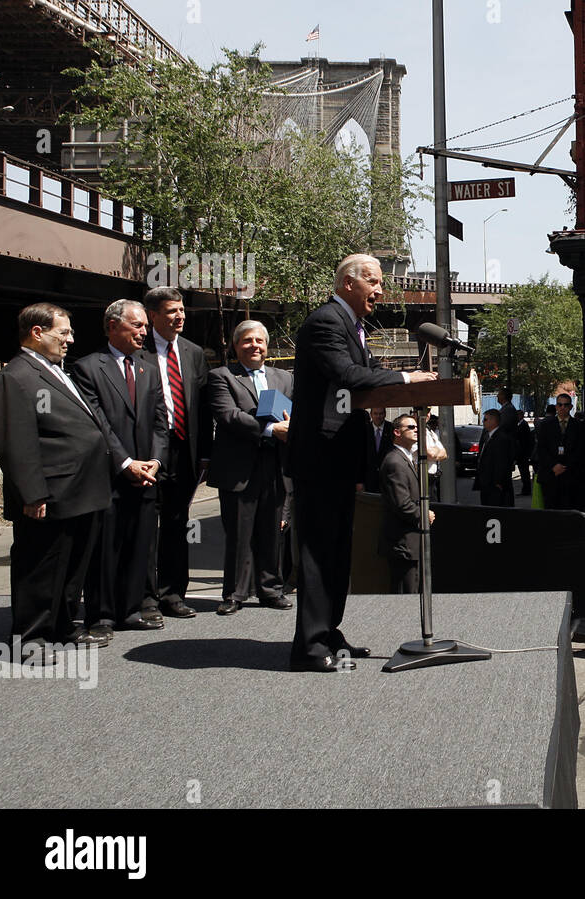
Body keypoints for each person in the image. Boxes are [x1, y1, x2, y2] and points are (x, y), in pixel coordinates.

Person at [287, 254, 437, 674]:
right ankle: (310, 648)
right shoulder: (325, 322)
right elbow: (351, 376)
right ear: (348, 282)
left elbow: (368, 370)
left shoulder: (351, 325)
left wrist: (409, 377)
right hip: (320, 457)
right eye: (373, 281)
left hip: (339, 458)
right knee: (318, 552)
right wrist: (407, 380)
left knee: (337, 552)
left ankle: (328, 632)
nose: (380, 290)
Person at [0, 304, 115, 660]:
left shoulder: (55, 371)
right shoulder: (16, 376)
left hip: (82, 490)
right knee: (41, 567)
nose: (70, 339)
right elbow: (15, 442)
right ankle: (30, 639)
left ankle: (63, 627)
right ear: (36, 333)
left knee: (72, 566)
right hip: (50, 493)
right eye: (63, 333)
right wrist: (32, 492)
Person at [73, 299, 168, 638]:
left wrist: (155, 462)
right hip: (109, 476)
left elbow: (161, 423)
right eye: (136, 325)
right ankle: (100, 616)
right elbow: (98, 424)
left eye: (145, 326)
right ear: (113, 326)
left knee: (139, 545)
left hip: (147, 477)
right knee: (105, 549)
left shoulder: (149, 368)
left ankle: (130, 609)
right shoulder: (88, 368)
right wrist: (126, 463)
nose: (144, 332)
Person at [206, 320, 294, 616]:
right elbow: (228, 416)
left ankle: (270, 589)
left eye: (259, 341)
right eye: (247, 341)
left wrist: (292, 426)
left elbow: (297, 412)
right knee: (239, 533)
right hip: (239, 468)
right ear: (235, 346)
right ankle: (235, 593)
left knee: (273, 530)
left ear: (267, 347)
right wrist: (272, 430)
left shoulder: (285, 377)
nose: (254, 345)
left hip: (275, 465)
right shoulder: (221, 376)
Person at [141, 287, 210, 620]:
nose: (180, 316)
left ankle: (172, 594)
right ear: (152, 315)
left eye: (182, 310)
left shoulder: (193, 352)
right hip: (146, 452)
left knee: (176, 523)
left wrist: (205, 455)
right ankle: (143, 597)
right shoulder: (137, 350)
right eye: (171, 311)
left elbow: (203, 408)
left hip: (184, 450)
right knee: (142, 526)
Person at [378, 414, 443, 593]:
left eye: (417, 427)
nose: (416, 431)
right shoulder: (394, 462)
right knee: (405, 593)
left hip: (410, 540)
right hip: (402, 542)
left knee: (413, 590)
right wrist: (424, 514)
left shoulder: (406, 458)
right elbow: (401, 503)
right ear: (397, 432)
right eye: (411, 428)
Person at [534, 392, 585, 510]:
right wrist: (553, 465)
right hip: (550, 474)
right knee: (551, 510)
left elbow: (580, 450)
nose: (563, 408)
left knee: (569, 510)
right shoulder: (546, 424)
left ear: (571, 407)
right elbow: (541, 448)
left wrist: (565, 466)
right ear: (556, 407)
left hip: (570, 475)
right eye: (560, 405)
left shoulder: (579, 426)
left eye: (566, 405)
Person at [474, 408, 517, 507]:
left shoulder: (501, 438)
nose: (483, 422)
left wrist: (498, 481)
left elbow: (502, 461)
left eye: (485, 419)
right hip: (487, 483)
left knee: (496, 510)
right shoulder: (487, 436)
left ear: (493, 421)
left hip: (496, 485)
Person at [497, 387, 533, 496]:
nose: (497, 396)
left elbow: (504, 428)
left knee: (511, 474)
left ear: (503, 396)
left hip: (514, 449)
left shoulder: (508, 409)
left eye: (499, 394)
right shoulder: (507, 409)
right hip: (515, 448)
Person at [360, 407, 395, 493]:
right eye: (375, 414)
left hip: (387, 477)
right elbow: (360, 456)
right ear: (371, 415)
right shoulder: (364, 429)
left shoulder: (391, 429)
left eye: (381, 414)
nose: (378, 416)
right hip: (368, 477)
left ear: (385, 414)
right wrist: (359, 481)